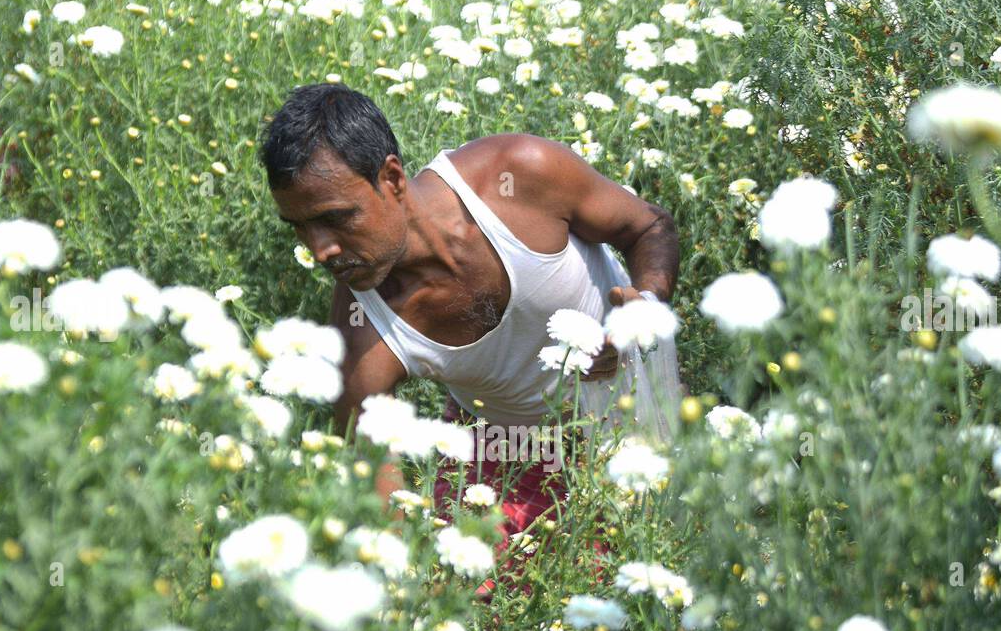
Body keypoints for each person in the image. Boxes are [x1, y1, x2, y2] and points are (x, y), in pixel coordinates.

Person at [260, 83, 683, 589]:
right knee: (473, 600)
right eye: (300, 228)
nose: (320, 250)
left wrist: (644, 307)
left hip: (641, 414)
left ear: (392, 178)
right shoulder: (362, 332)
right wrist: (408, 579)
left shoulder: (519, 175)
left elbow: (650, 226)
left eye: (335, 218)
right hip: (505, 450)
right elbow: (375, 477)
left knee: (657, 582)